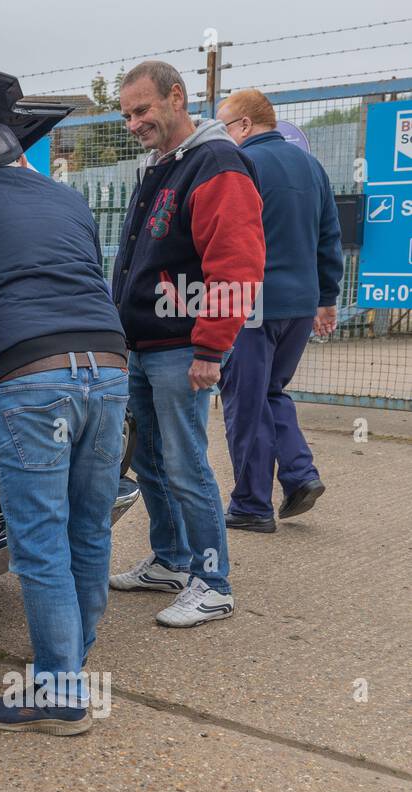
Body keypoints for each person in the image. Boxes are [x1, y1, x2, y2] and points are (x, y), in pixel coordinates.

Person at [0, 124, 129, 734]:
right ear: (21, 160)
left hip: (30, 376)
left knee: (41, 542)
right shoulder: (69, 199)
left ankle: (60, 692)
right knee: (89, 527)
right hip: (107, 368)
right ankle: (72, 662)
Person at [107, 60, 266, 628]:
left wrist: (209, 348)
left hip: (181, 348)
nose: (133, 123)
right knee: (149, 460)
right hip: (146, 345)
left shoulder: (216, 161)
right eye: (127, 113)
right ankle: (173, 560)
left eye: (143, 109)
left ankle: (213, 580)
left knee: (185, 463)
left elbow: (237, 263)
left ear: (177, 98)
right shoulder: (163, 165)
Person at [215, 89, 340, 532]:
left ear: (245, 126)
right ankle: (300, 476)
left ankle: (251, 506)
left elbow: (225, 237)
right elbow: (329, 238)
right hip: (301, 305)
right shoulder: (312, 167)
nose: (220, 135)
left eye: (223, 126)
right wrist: (327, 298)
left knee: (245, 402)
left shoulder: (242, 166)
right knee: (271, 391)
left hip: (253, 304)